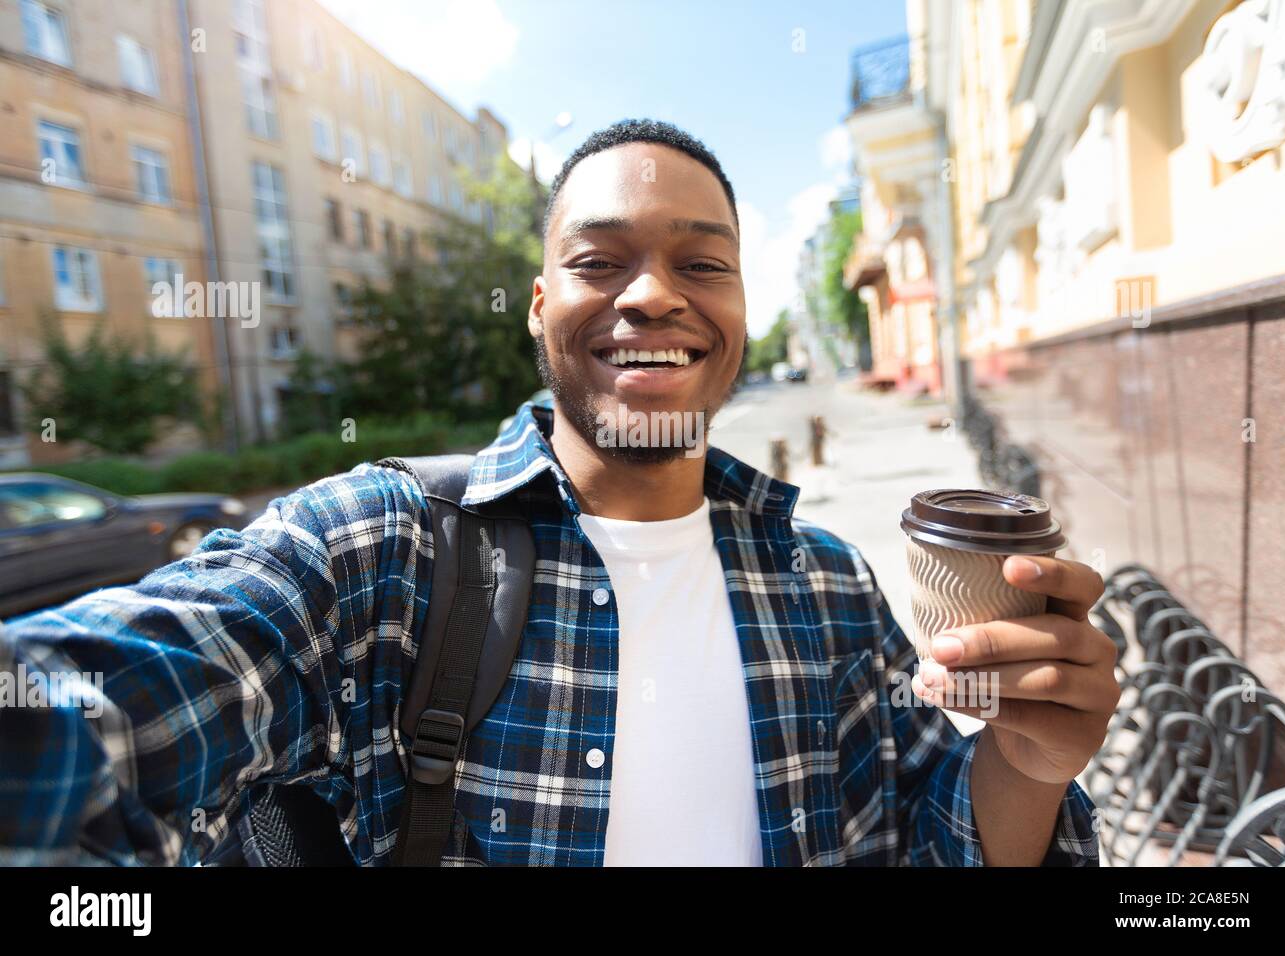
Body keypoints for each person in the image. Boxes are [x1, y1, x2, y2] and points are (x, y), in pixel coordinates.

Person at [0, 119, 1118, 866]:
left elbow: (937, 845)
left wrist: (1021, 763)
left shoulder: (823, 584)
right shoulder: (378, 551)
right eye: (599, 261)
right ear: (538, 305)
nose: (651, 296)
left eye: (701, 263)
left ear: (739, 305)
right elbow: (106, 700)